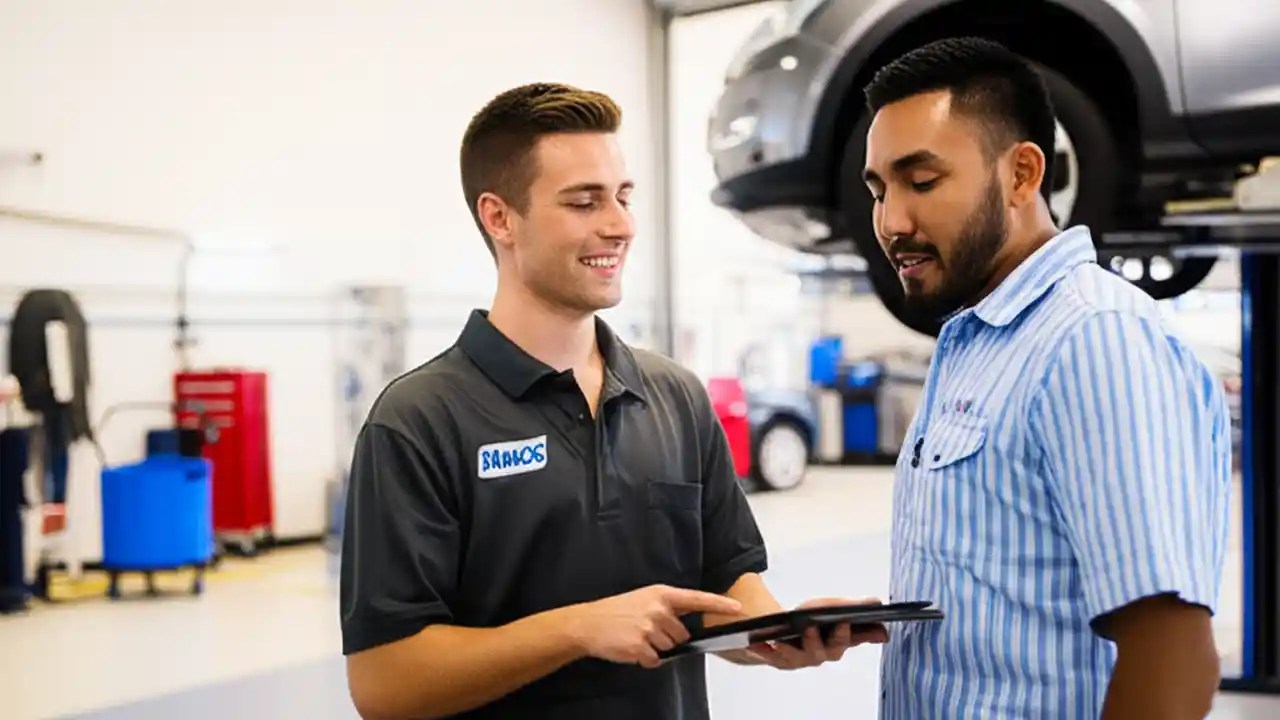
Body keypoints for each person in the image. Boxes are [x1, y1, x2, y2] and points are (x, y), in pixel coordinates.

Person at [340, 82, 887, 720]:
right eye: (584, 202)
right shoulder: (419, 421)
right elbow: (384, 684)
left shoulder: (675, 397)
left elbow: (725, 584)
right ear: (500, 218)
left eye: (623, 197)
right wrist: (577, 629)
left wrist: (775, 631)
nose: (620, 225)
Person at [859, 38, 1232, 719]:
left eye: (922, 182)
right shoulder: (978, 340)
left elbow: (1173, 654)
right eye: (879, 190)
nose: (891, 222)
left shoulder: (1093, 341)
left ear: (1023, 175)